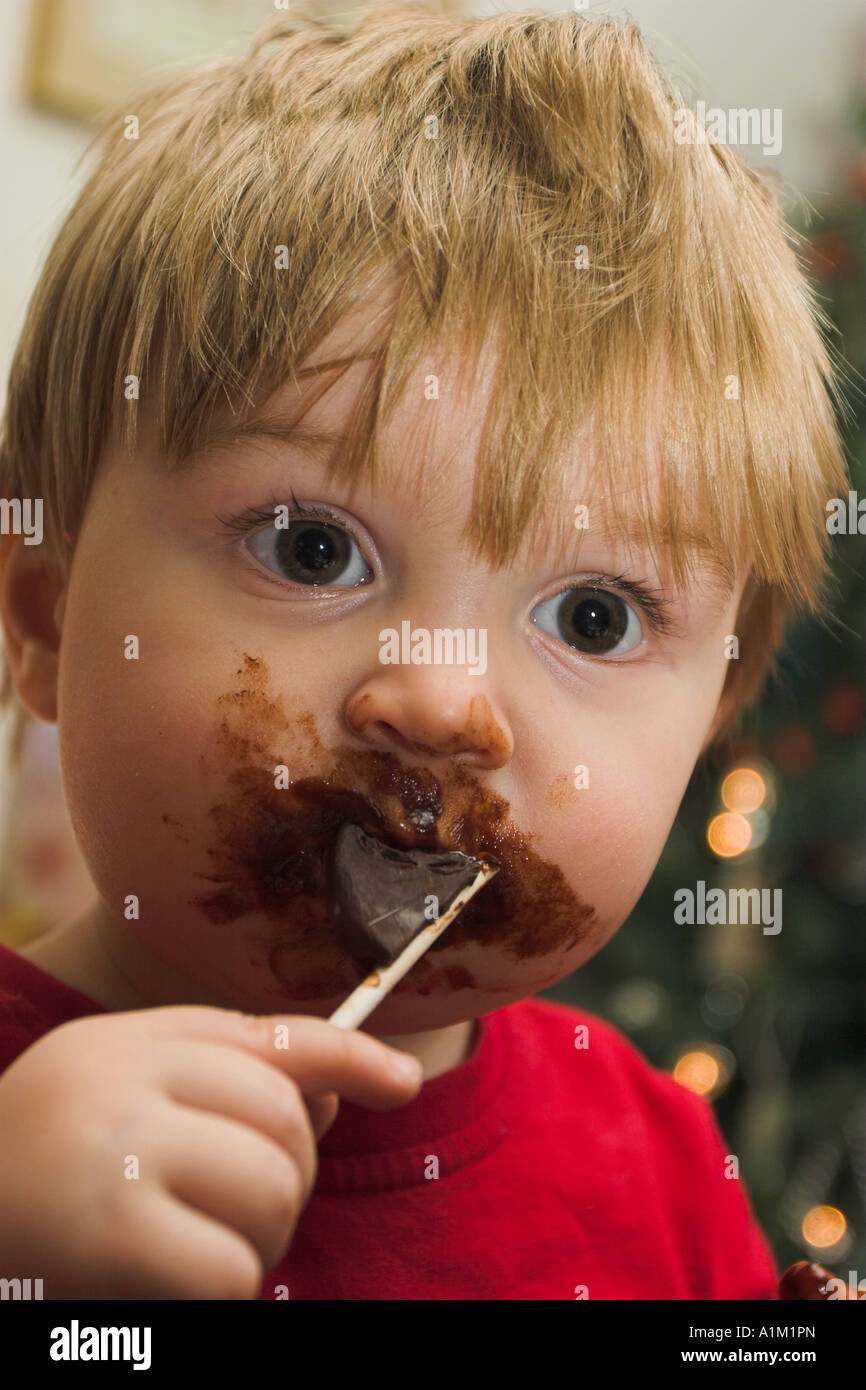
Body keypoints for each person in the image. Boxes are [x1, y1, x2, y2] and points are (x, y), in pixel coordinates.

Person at [0, 4, 847, 1299]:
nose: (447, 704)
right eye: (310, 548)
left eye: (593, 617)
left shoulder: (664, 1157)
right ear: (48, 612)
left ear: (712, 716)